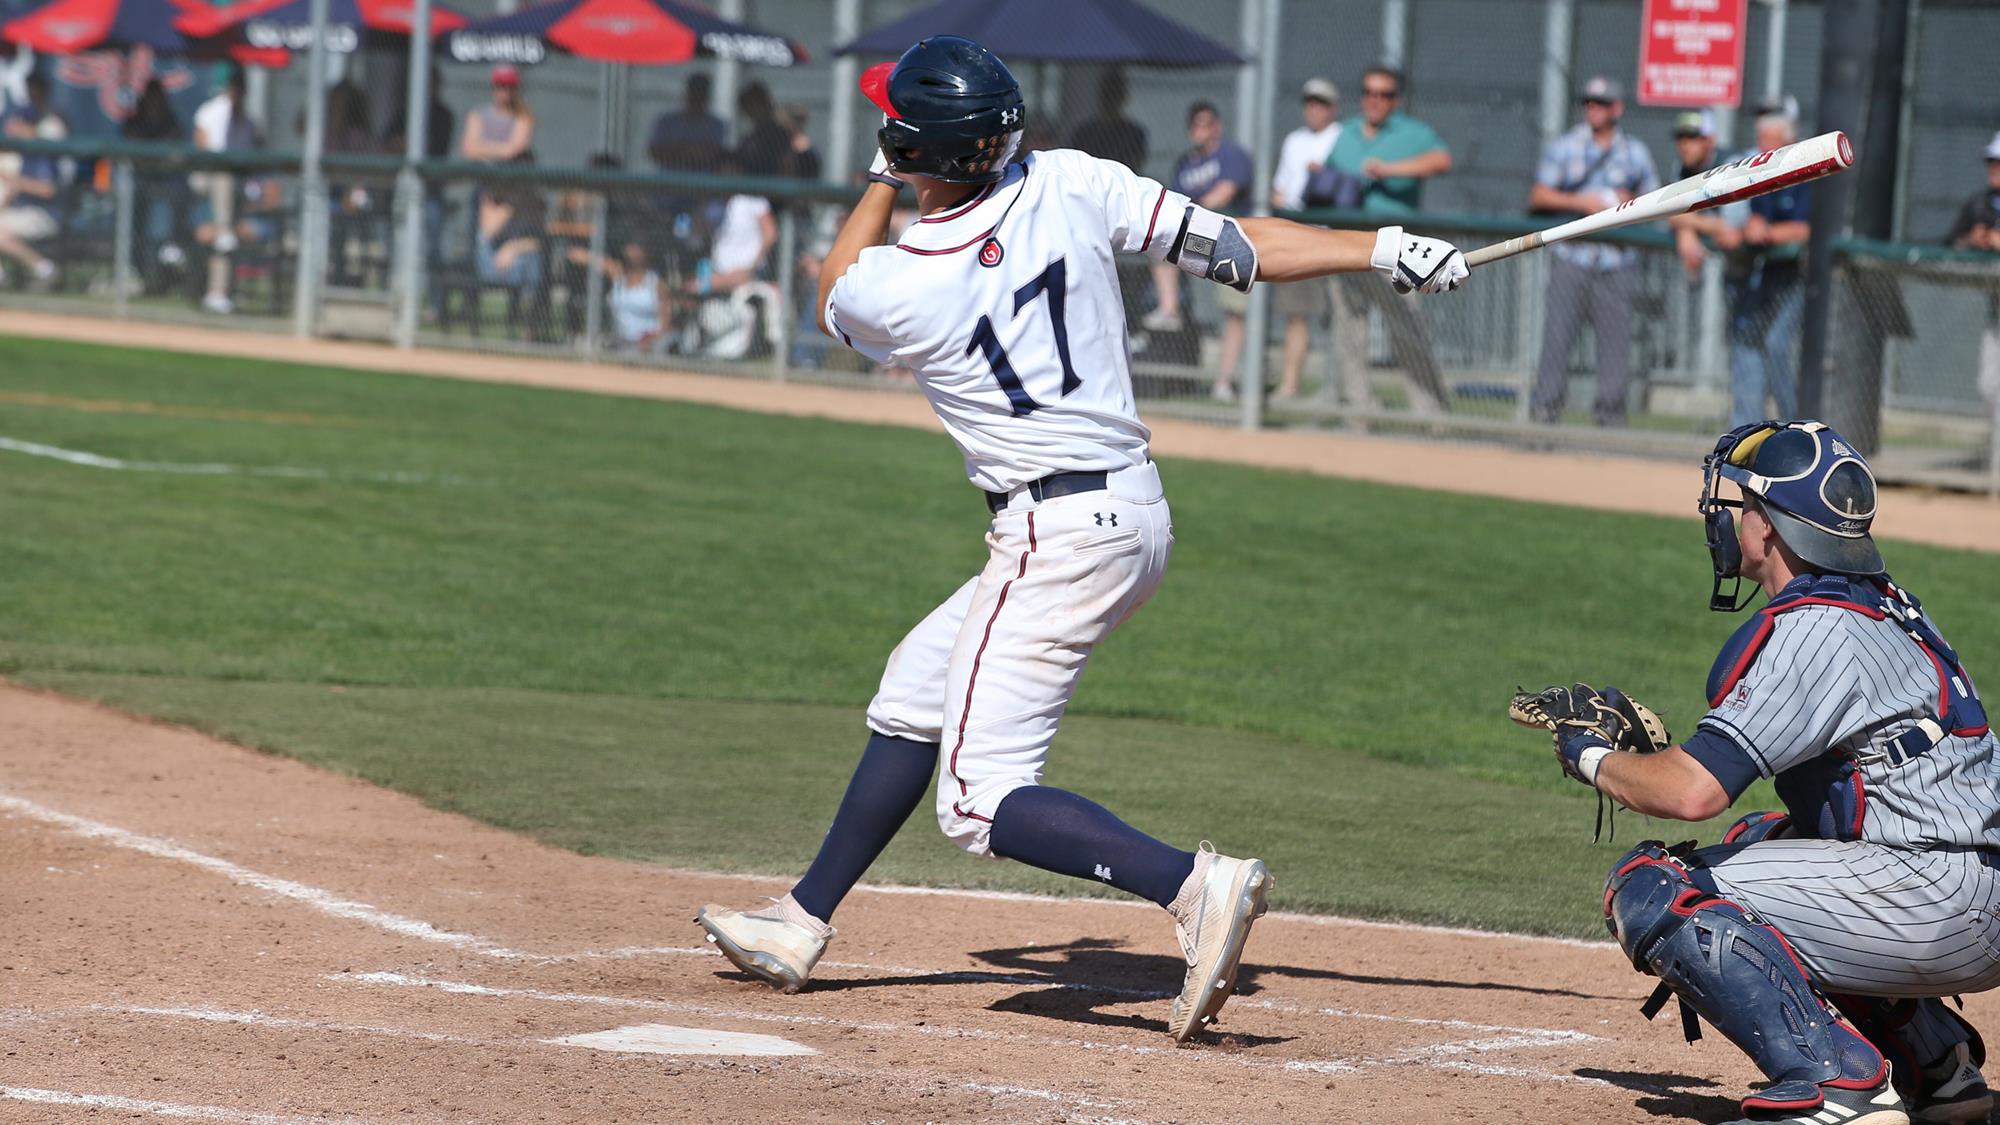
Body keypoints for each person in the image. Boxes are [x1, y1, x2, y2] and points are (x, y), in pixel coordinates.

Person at [694, 35, 1467, 1043]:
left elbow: (830, 282)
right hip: (1132, 514)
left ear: (911, 147)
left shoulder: (900, 283)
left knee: (977, 802)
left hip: (1051, 532)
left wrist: (880, 180)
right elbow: (1240, 246)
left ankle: (1192, 887)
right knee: (912, 690)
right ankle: (800, 920)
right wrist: (1378, 247)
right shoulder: (1072, 182)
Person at [1513, 419, 2000, 1125]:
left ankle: (1838, 1084)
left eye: (1744, 504)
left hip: (1932, 898)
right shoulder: (1884, 605)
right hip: (1965, 888)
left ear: (1770, 528)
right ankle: (1936, 1068)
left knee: (1655, 888)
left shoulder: (1816, 630)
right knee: (1762, 837)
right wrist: (1645, 754)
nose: (1732, 517)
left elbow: (1689, 792)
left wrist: (1589, 756)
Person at [1527, 75, 1660, 426]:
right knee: (1557, 338)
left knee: (1616, 345)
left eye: (1601, 104)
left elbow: (1658, 201)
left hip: (1617, 260)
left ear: (1617, 108)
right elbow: (1539, 195)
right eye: (1588, 102)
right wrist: (1581, 201)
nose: (1593, 109)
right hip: (1573, 256)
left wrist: (1628, 203)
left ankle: (1610, 420)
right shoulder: (1567, 145)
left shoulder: (1635, 151)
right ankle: (1544, 412)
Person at [1325, 65, 1455, 419]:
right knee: (1348, 328)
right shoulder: (1346, 132)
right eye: (1369, 92)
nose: (1374, 100)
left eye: (1383, 94)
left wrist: (1391, 170)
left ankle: (1432, 415)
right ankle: (1359, 412)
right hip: (1348, 240)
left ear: (1395, 100)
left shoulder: (1411, 132)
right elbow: (1329, 171)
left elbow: (1442, 160)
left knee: (1406, 327)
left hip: (1394, 243)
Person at [1142, 102, 1252, 402]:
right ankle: (1169, 308)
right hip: (1200, 237)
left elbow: (1226, 192)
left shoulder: (1231, 154)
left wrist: (1194, 212)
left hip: (1233, 242)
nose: (1200, 130)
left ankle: (1224, 382)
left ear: (1217, 126)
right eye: (1195, 125)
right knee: (1161, 247)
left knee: (1233, 313)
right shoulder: (1186, 162)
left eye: (1206, 124)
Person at [1725, 109, 1812, 428]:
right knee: (1749, 338)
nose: (1761, 147)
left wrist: (1771, 233)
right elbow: (1755, 217)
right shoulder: (1763, 175)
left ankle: (1796, 425)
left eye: (1769, 141)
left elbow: (1807, 230)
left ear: (1787, 142)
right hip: (1768, 273)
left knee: (1777, 344)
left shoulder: (1806, 174)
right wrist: (1754, 226)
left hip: (1800, 277)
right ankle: (1751, 427)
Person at [1267, 78, 1343, 403]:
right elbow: (1279, 190)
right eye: (1310, 102)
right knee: (1296, 314)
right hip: (1298, 234)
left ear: (1333, 108)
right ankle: (1291, 384)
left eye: (1321, 103)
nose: (1314, 108)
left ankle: (1336, 389)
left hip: (1332, 235)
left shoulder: (1341, 137)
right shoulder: (1294, 140)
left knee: (1339, 317)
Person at [191, 63, 257, 314]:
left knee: (225, 235)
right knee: (223, 180)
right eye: (234, 86)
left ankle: (220, 292)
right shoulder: (211, 111)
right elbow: (200, 151)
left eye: (241, 86)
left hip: (236, 189)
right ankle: (225, 228)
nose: (237, 91)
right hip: (207, 181)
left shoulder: (247, 121)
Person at [0, 72, 62, 288]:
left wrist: (14, 181)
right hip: (22, 210)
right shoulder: (20, 154)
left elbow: (48, 190)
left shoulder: (46, 147)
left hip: (45, 213)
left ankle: (44, 268)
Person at [1664, 109, 1740, 278]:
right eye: (1680, 138)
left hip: (1743, 267)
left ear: (1710, 140)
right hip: (1710, 263)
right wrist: (1686, 231)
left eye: (1692, 137)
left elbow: (1728, 227)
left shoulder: (1730, 166)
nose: (1685, 145)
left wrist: (1686, 224)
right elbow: (1670, 216)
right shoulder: (1681, 168)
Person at [1067, 68, 1146, 172]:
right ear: (1100, 95)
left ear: (1124, 97)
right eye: (1107, 94)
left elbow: (1135, 165)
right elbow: (1075, 165)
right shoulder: (1084, 133)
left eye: (1115, 94)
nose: (1111, 100)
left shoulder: (1133, 134)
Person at [647, 73, 727, 173]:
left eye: (701, 92)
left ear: (707, 96)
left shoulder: (716, 124)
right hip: (668, 180)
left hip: (705, 183)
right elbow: (655, 153)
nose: (697, 97)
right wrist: (694, 149)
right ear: (686, 93)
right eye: (694, 92)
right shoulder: (666, 121)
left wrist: (676, 148)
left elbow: (713, 154)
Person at [460, 66, 534, 164]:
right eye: (501, 85)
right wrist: (501, 148)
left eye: (510, 86)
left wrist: (482, 148)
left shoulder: (523, 116)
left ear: (516, 89)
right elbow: (468, 150)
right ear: (493, 87)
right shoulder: (477, 115)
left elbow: (512, 150)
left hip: (510, 175)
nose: (505, 90)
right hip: (481, 175)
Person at [1943, 130, 2000, 253]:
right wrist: (1972, 239)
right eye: (1991, 163)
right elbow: (1949, 244)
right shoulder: (1977, 203)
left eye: (1999, 163)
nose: (1993, 169)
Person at [733, 80, 793, 179]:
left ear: (764, 104)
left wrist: (779, 192)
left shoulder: (779, 134)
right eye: (746, 107)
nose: (749, 112)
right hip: (749, 189)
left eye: (752, 105)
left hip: (770, 190)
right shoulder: (750, 138)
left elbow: (787, 166)